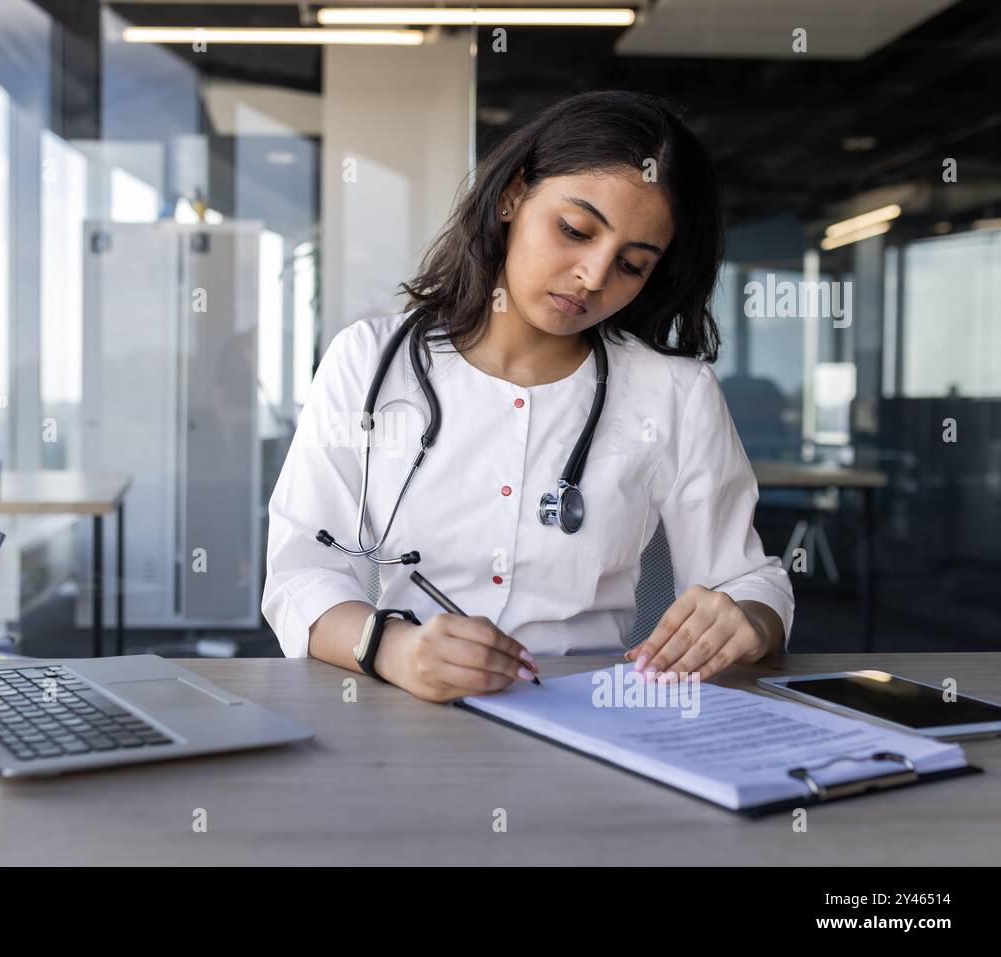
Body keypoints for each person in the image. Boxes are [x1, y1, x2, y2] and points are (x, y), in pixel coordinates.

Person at [262, 90, 794, 703]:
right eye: (575, 230)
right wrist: (396, 649)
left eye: (632, 264)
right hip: (402, 710)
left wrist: (747, 620)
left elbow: (748, 580)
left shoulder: (675, 394)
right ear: (513, 194)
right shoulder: (367, 362)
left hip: (594, 721)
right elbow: (302, 574)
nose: (592, 276)